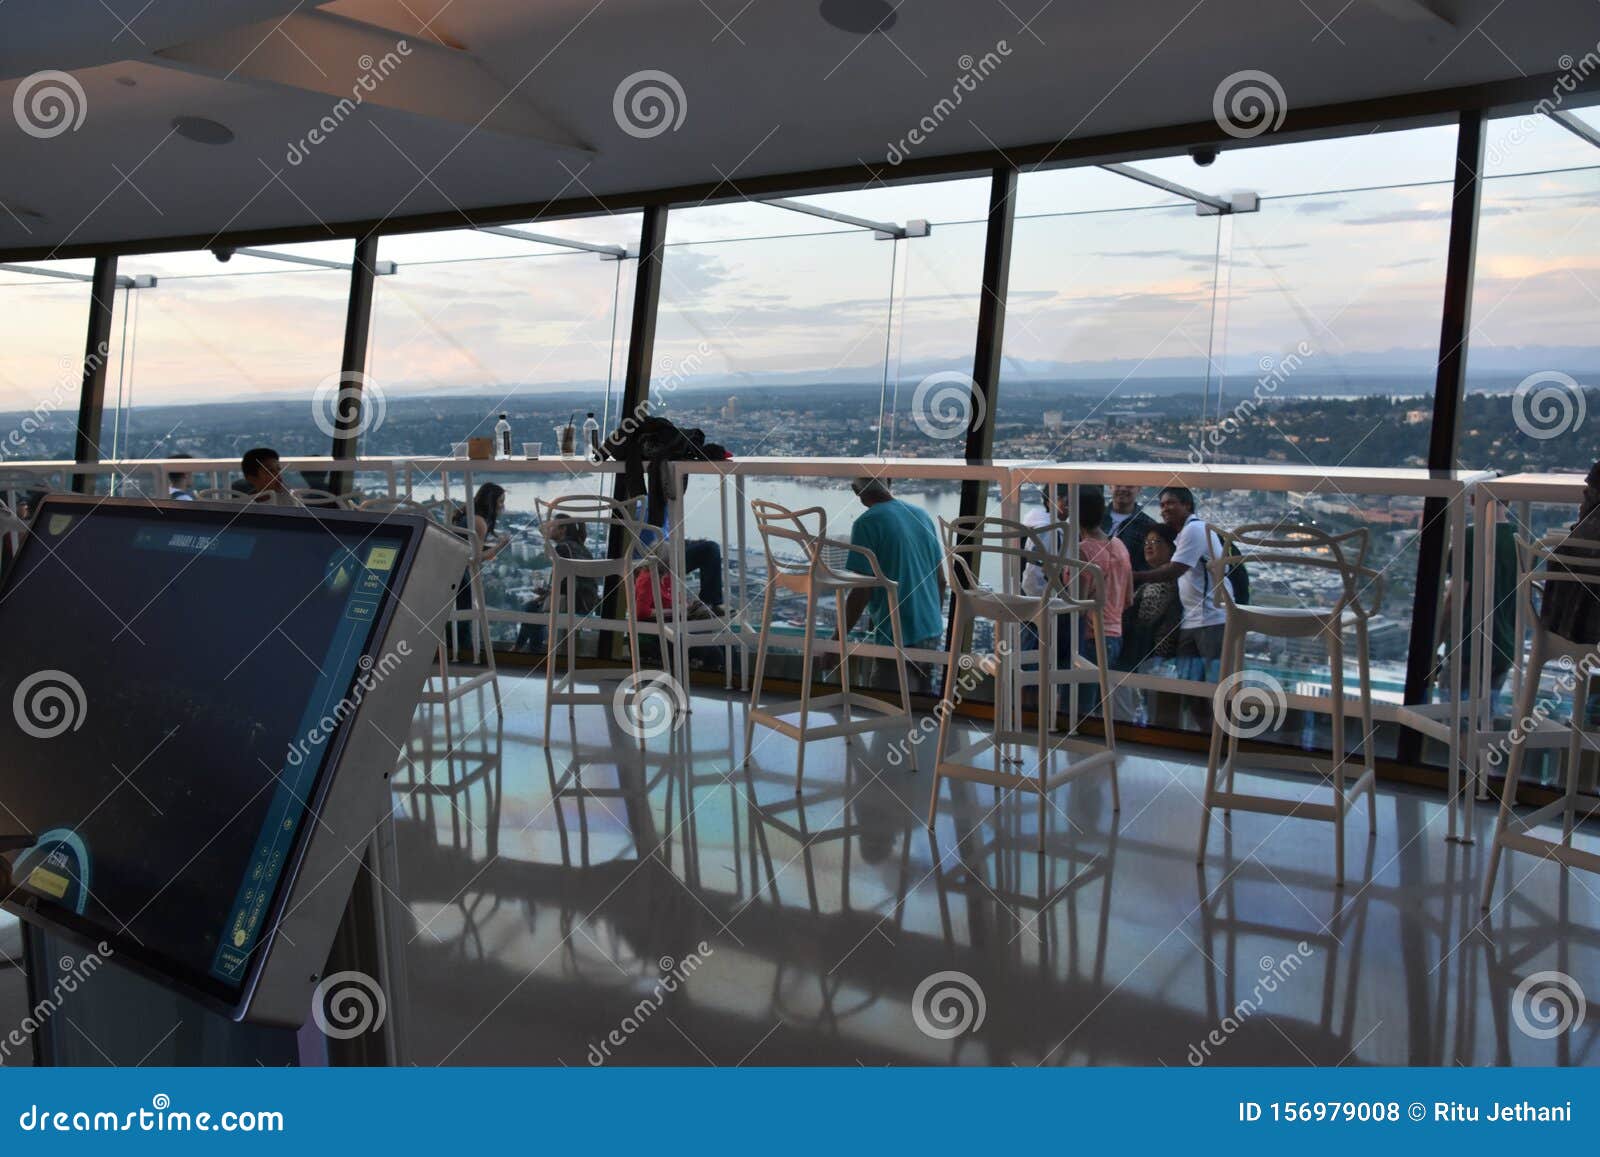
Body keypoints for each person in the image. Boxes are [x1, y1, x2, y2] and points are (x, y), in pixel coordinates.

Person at [841, 477, 946, 695]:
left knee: (888, 705)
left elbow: (862, 591)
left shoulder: (866, 524)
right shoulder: (921, 515)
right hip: (931, 628)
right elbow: (941, 581)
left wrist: (836, 640)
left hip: (897, 633)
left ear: (855, 490)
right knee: (923, 705)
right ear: (889, 481)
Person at [1133, 486, 1229, 691]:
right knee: (1191, 691)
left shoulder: (1194, 529)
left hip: (1210, 620)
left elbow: (1174, 570)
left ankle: (1217, 724)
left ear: (1187, 505)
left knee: (1210, 690)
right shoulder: (1186, 533)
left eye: (1170, 503)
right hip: (1195, 620)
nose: (1164, 509)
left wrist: (1134, 577)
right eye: (1162, 505)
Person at [1076, 486, 1131, 716]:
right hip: (1115, 635)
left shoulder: (1083, 551)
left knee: (1081, 706)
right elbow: (1128, 599)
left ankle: (1075, 749)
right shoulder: (1119, 546)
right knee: (1099, 703)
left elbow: (1077, 605)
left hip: (1090, 637)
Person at [517, 516, 598, 653]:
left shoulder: (563, 548)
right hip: (585, 601)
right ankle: (526, 649)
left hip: (575, 603)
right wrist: (547, 594)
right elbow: (571, 581)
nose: (549, 529)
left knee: (531, 608)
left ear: (562, 529)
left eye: (552, 526)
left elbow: (565, 582)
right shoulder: (580, 547)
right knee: (536, 608)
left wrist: (545, 537)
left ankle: (528, 651)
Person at [453, 483, 510, 655]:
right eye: (500, 501)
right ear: (491, 502)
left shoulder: (467, 515)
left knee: (462, 612)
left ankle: (460, 651)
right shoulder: (479, 522)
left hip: (452, 566)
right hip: (460, 572)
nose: (502, 506)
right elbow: (476, 559)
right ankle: (466, 652)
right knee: (466, 613)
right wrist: (500, 546)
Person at [1104, 484, 1157, 572]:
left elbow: (1150, 563)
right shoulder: (1094, 518)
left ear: (1139, 488)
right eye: (1118, 485)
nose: (1123, 489)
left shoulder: (1149, 525)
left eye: (1129, 486)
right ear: (1110, 486)